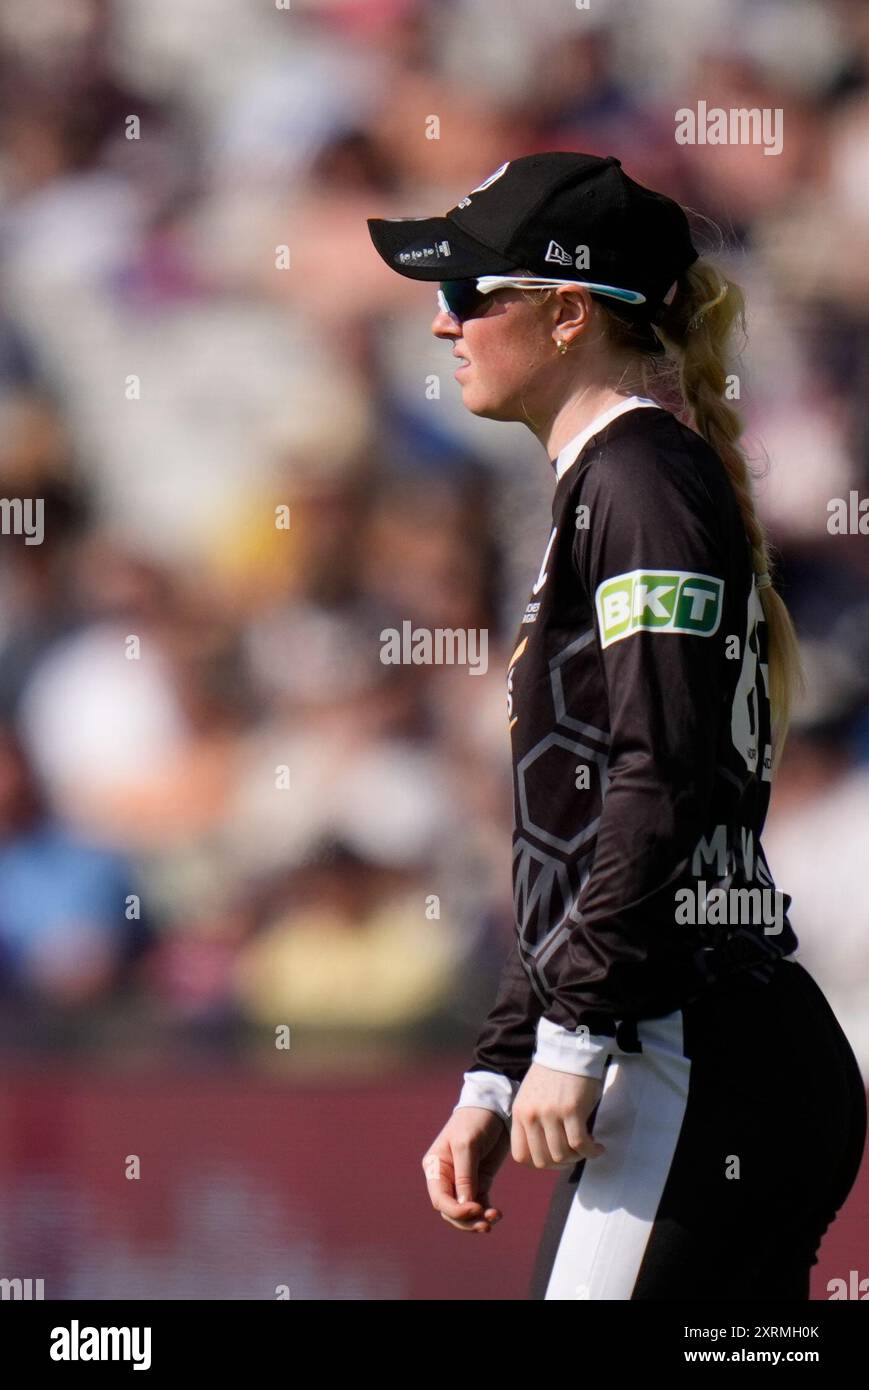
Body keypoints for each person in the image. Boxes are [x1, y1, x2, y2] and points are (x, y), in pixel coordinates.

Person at [366, 152, 867, 1300]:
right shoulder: (615, 480)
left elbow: (660, 774)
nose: (442, 326)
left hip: (692, 1048)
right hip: (706, 1043)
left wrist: (573, 1032)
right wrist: (498, 1067)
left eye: (468, 295)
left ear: (565, 315)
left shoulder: (637, 477)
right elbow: (572, 824)